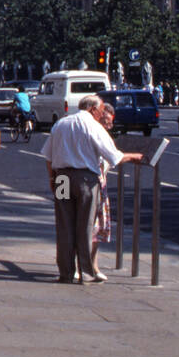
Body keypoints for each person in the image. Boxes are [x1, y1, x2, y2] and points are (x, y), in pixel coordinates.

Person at [41, 94, 143, 284]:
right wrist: (135, 156)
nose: (102, 113)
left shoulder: (61, 124)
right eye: (101, 109)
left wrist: (51, 178)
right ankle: (86, 272)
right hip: (85, 178)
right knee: (85, 225)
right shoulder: (93, 126)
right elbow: (114, 156)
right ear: (93, 109)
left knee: (64, 225)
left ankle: (66, 272)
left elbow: (48, 155)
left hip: (62, 176)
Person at [90, 103, 117, 274]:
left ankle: (92, 264)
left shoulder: (102, 135)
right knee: (78, 222)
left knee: (97, 225)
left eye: (111, 122)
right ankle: (79, 264)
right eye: (106, 121)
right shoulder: (92, 132)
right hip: (72, 181)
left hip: (64, 180)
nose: (109, 126)